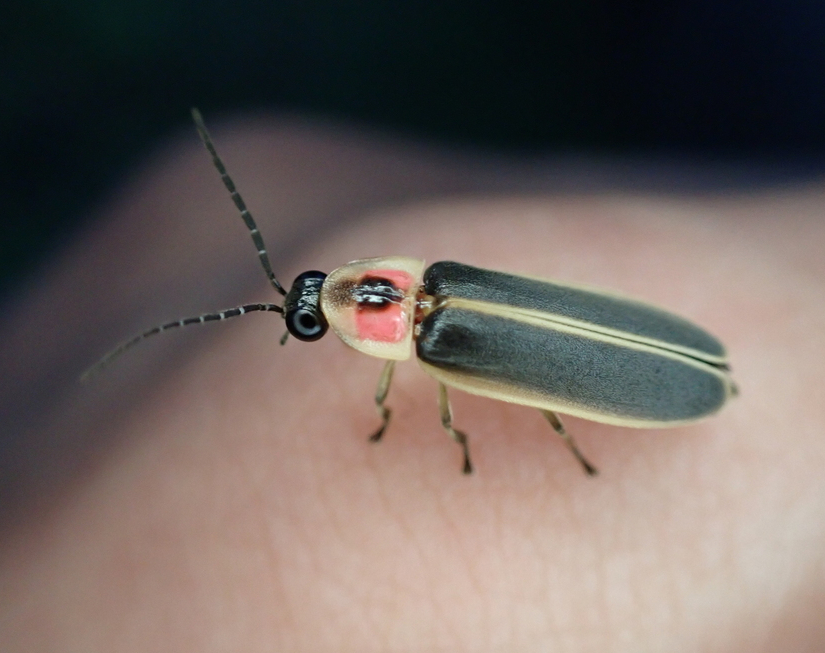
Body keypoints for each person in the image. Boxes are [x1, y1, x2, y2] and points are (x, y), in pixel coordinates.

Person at [1, 114, 823, 651]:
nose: (309, 305)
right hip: (665, 329)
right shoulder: (436, 280)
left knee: (539, 404)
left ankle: (573, 439)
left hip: (653, 376)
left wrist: (432, 431)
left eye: (311, 310)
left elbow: (418, 394)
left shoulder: (432, 349)